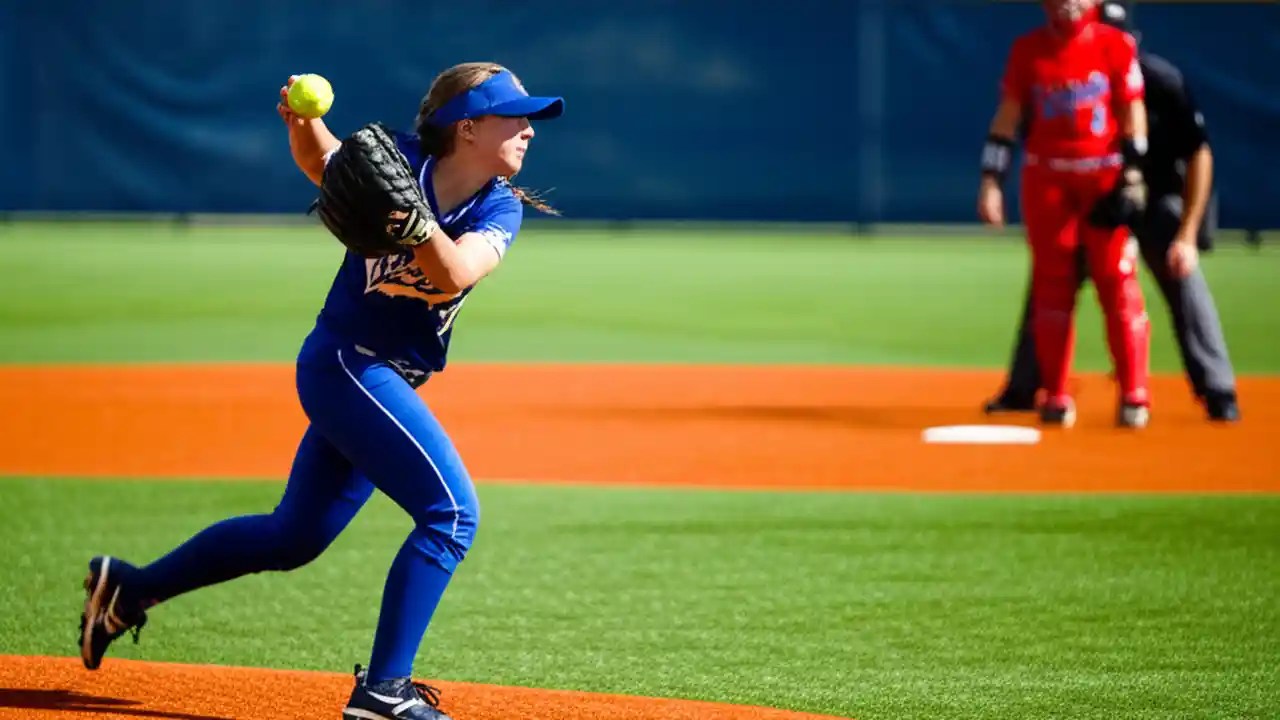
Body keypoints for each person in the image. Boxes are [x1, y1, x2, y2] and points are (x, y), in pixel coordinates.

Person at [76, 62, 565, 720]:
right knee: (451, 516)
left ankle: (129, 590)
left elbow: (453, 273)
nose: (530, 129)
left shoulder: (498, 205)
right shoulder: (400, 160)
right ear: (469, 127)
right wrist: (304, 122)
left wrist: (410, 222)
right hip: (345, 364)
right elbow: (325, 164)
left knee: (292, 538)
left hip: (381, 377)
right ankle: (384, 691)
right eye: (516, 116)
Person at [982, 0, 1241, 423]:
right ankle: (1030, 388)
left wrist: (1187, 235)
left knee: (1178, 278)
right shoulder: (1046, 61)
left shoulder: (1159, 80)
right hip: (1091, 194)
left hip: (1153, 199)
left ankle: (1216, 389)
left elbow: (1199, 155)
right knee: (1050, 283)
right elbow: (1017, 127)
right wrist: (995, 179)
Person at [978, 0, 1153, 428]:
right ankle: (1054, 394)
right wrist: (990, 181)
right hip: (1048, 180)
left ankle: (1134, 393)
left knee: (1117, 279)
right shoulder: (1029, 50)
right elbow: (1007, 119)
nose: (1069, 5)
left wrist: (1132, 175)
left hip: (1102, 178)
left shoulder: (1114, 45)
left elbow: (1133, 111)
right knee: (1052, 288)